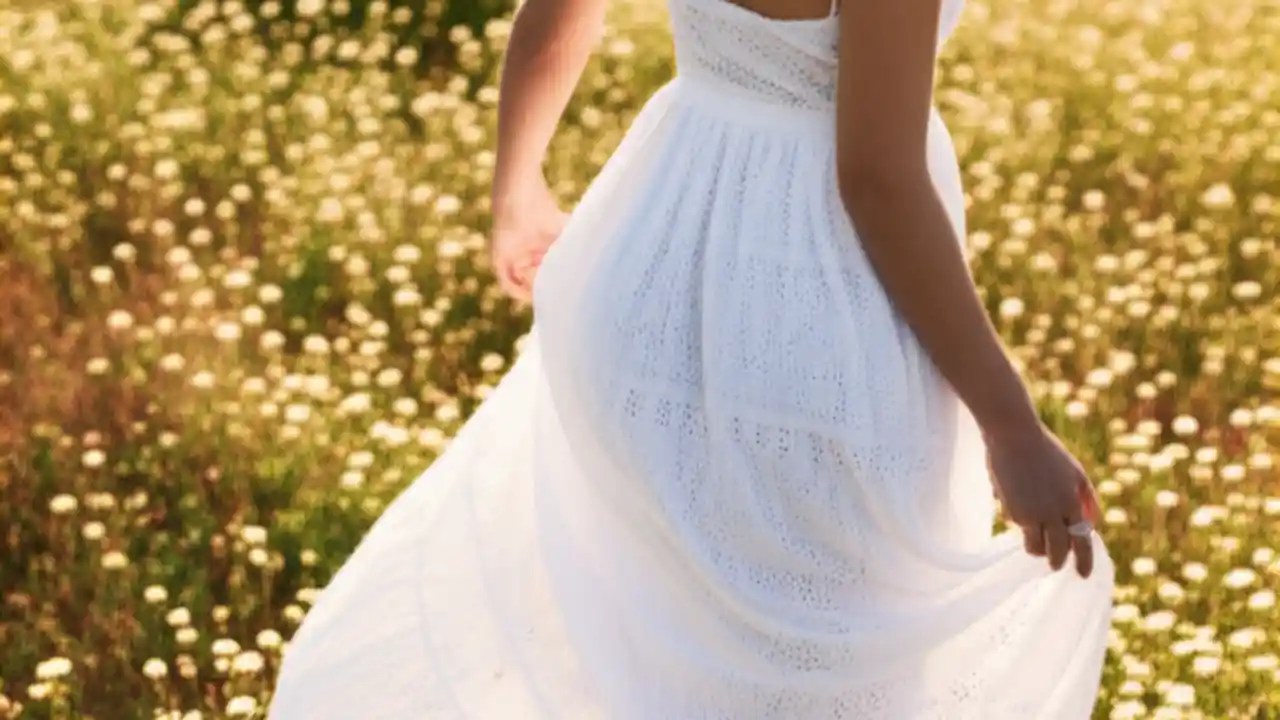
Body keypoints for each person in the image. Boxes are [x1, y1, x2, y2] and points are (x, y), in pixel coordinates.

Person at [269, 0, 1116, 716]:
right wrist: (1009, 424)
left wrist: (516, 186)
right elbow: (877, 176)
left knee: (648, 654)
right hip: (814, 312)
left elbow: (556, 12)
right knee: (829, 661)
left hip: (644, 257)